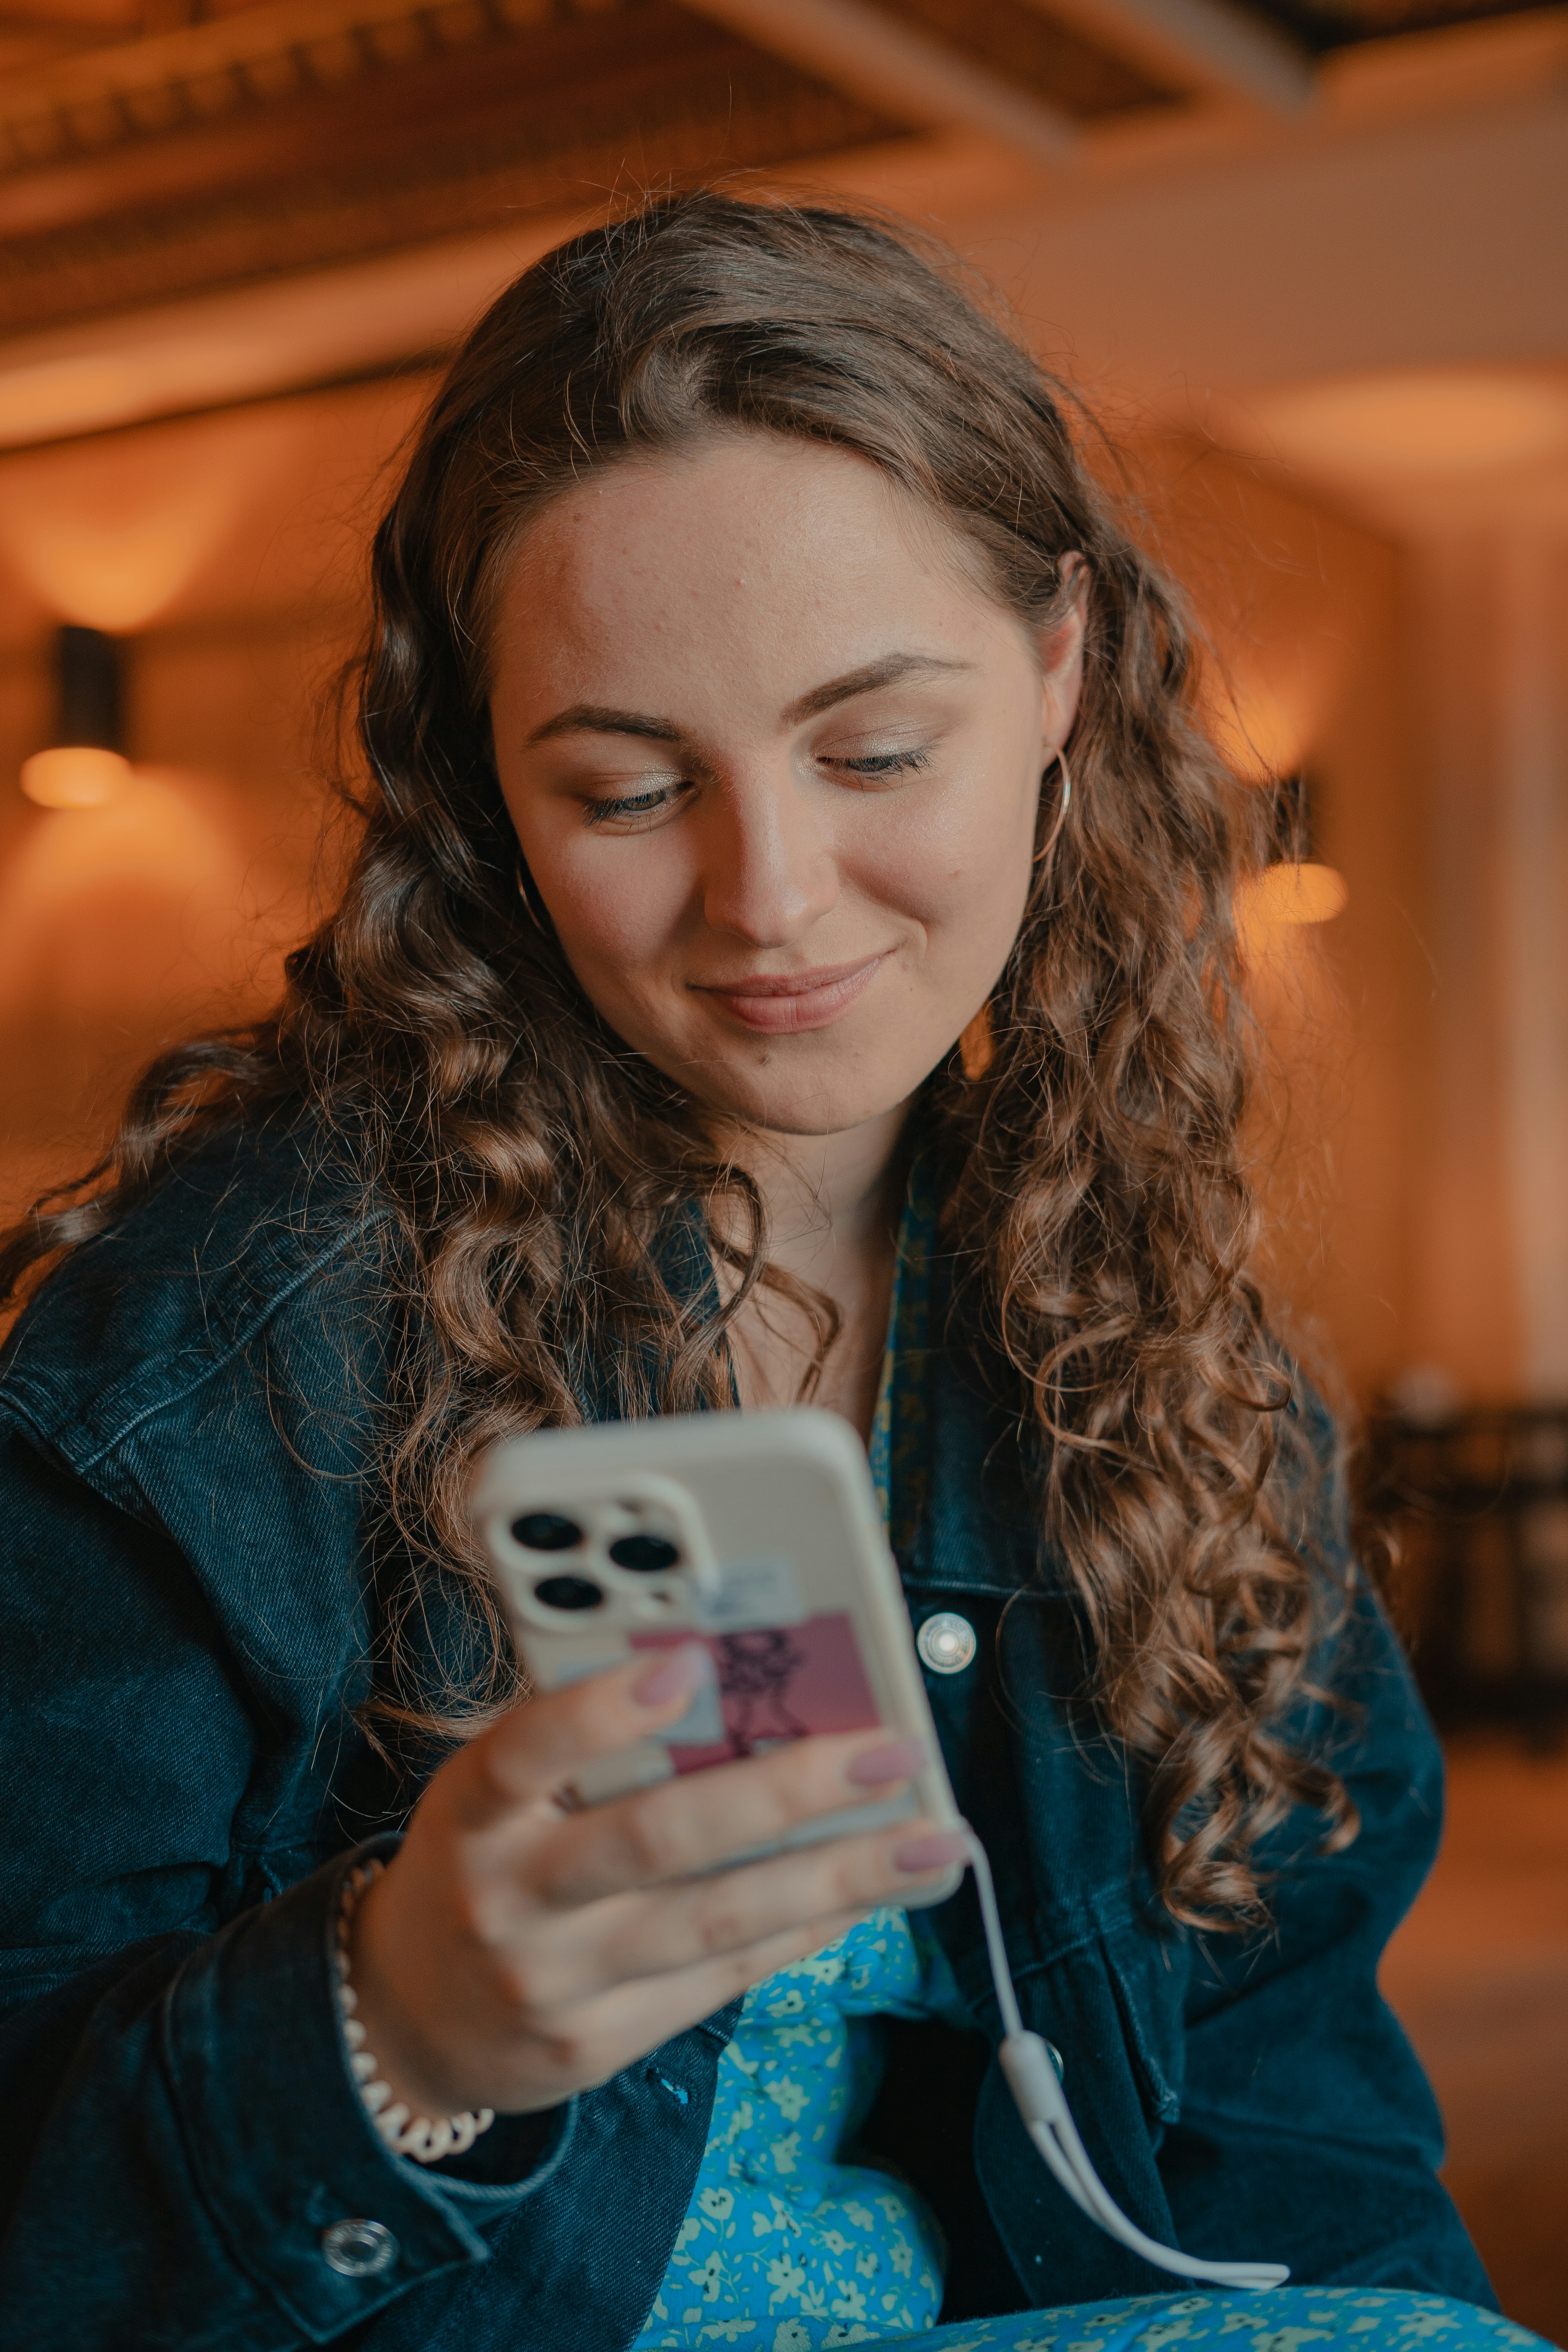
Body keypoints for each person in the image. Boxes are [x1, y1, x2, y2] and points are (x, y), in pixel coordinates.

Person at [0, 194, 1539, 2352]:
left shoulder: (1151, 1337)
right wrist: (393, 2036)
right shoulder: (224, 1357)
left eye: (875, 751)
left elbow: (1299, 2135)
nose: (773, 898)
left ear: (1062, 669)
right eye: (629, 788)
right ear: (493, 804)